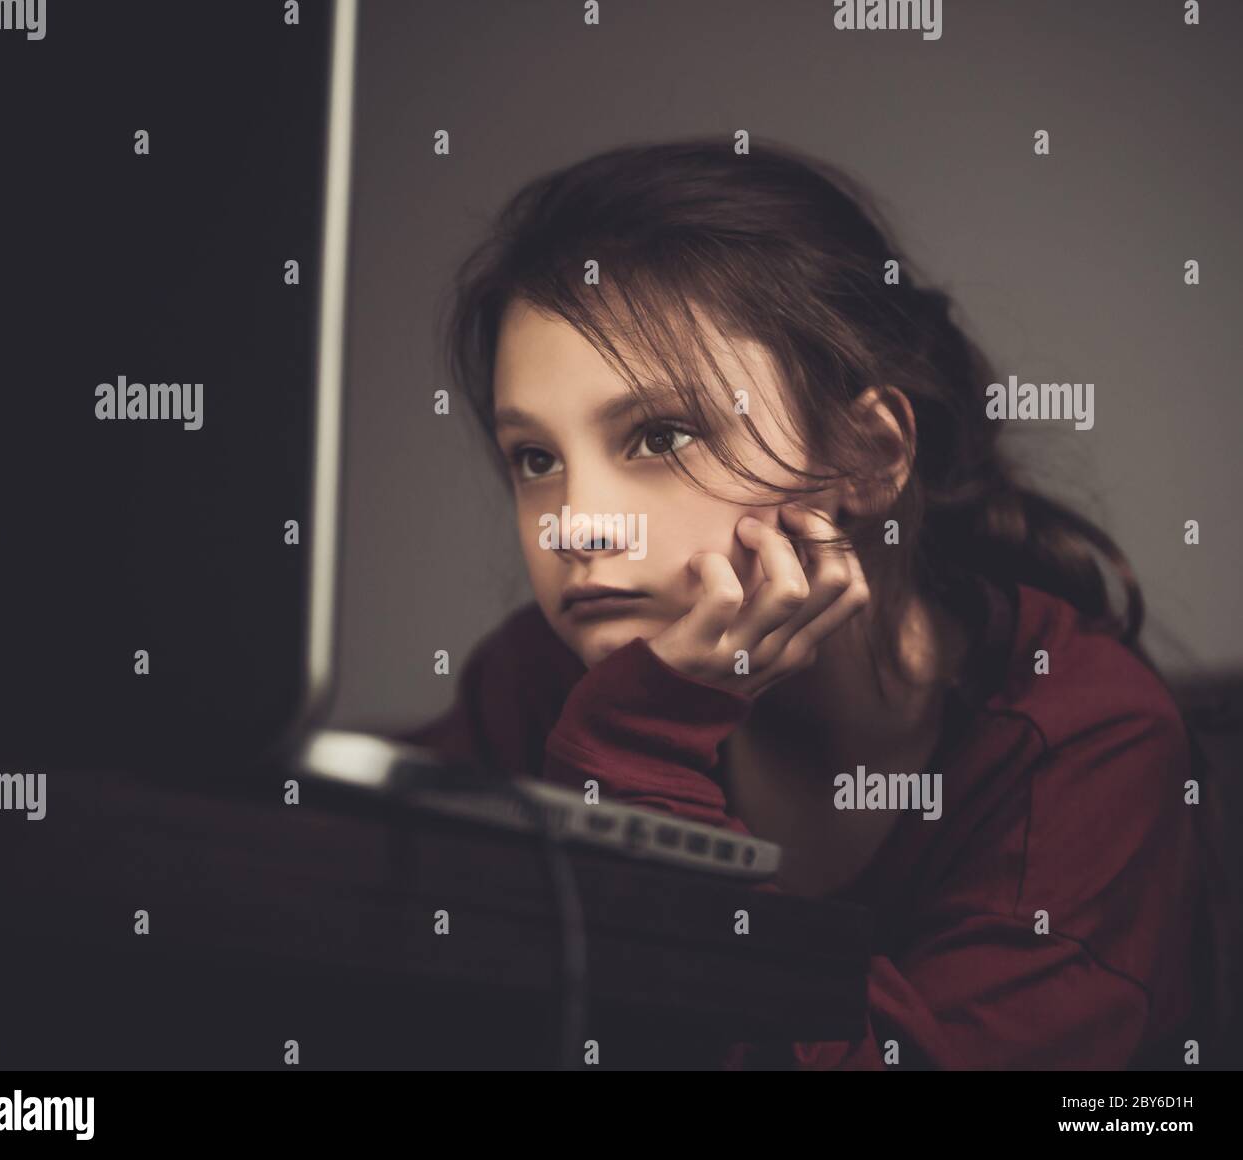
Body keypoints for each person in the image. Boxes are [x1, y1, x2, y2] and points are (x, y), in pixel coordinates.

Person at [396, 136, 1225, 1069]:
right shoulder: (540, 684)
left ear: (866, 456)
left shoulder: (1085, 742)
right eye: (536, 459)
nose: (575, 527)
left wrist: (641, 752)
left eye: (661, 435)